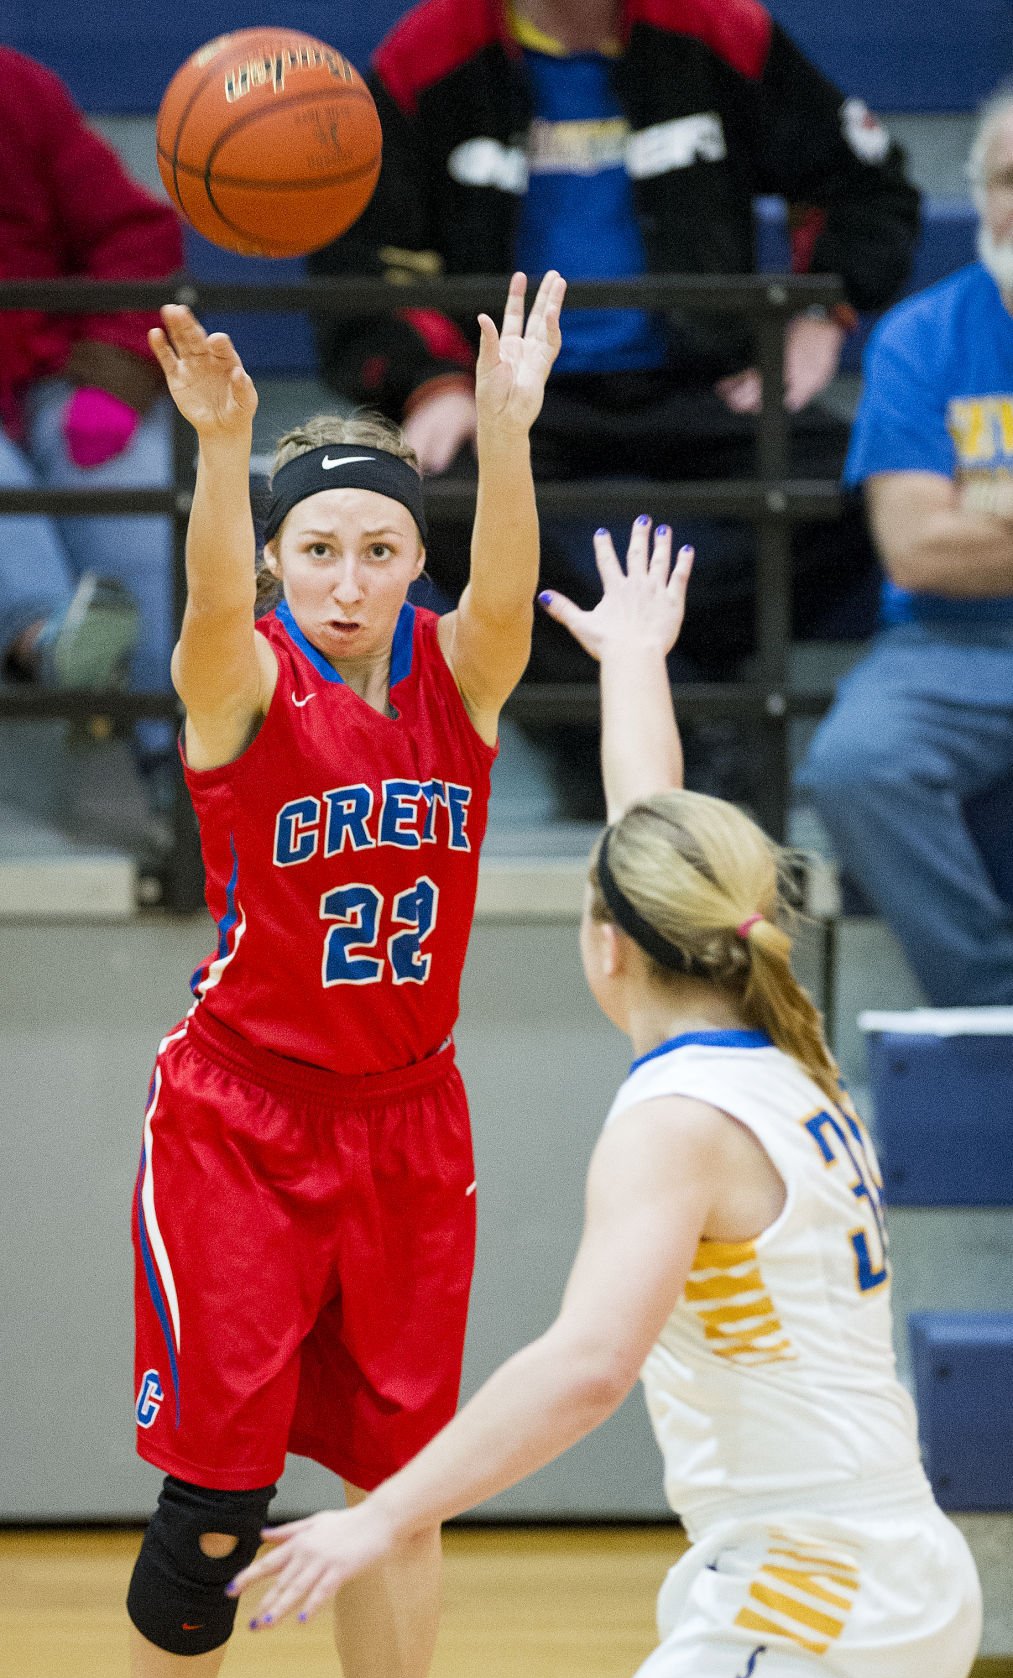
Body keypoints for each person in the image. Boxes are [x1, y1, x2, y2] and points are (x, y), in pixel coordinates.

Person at [231, 520, 981, 1678]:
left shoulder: (678, 1117)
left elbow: (584, 1365)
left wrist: (381, 1511)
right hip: (865, 1577)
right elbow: (657, 841)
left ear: (605, 943)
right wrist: (634, 662)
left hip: (815, 1592)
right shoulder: (770, 1047)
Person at [103, 269, 565, 1678]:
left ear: (413, 564)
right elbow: (209, 600)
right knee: (219, 1497)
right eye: (322, 553)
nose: (352, 580)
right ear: (282, 567)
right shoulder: (236, 683)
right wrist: (225, 454)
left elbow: (506, 586)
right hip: (240, 1118)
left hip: (404, 1126)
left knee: (401, 1492)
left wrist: (506, 435)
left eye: (380, 550)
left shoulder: (461, 675)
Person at [308, 0, 919, 817]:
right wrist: (436, 383)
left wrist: (818, 310)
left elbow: (868, 185)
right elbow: (355, 254)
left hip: (701, 385)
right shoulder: (430, 50)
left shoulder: (721, 29)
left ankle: (650, 673)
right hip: (513, 397)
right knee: (414, 505)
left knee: (866, 482)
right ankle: (662, 720)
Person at [800, 86, 1013, 1005]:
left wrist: (985, 513)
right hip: (948, 645)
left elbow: (951, 528)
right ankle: (989, 1012)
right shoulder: (921, 336)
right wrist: (955, 532)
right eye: (1005, 180)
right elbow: (919, 551)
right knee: (856, 764)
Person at [0, 48, 182, 806]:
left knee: (137, 502)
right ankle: (49, 644)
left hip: (52, 369)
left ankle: (187, 776)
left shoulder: (17, 89)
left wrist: (113, 372)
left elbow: (136, 237)